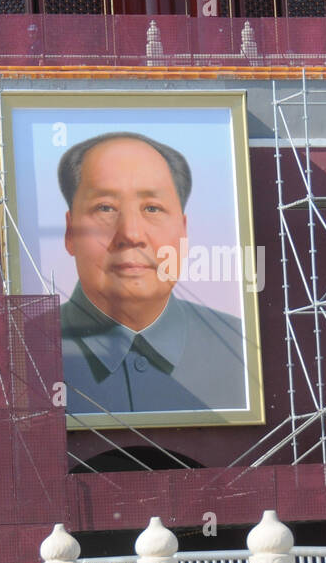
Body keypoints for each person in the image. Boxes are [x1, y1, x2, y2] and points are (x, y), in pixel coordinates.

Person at [57, 131, 247, 415]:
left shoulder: (239, 346)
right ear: (70, 232)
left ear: (183, 231)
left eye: (152, 208)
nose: (131, 234)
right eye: (105, 208)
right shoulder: (24, 348)